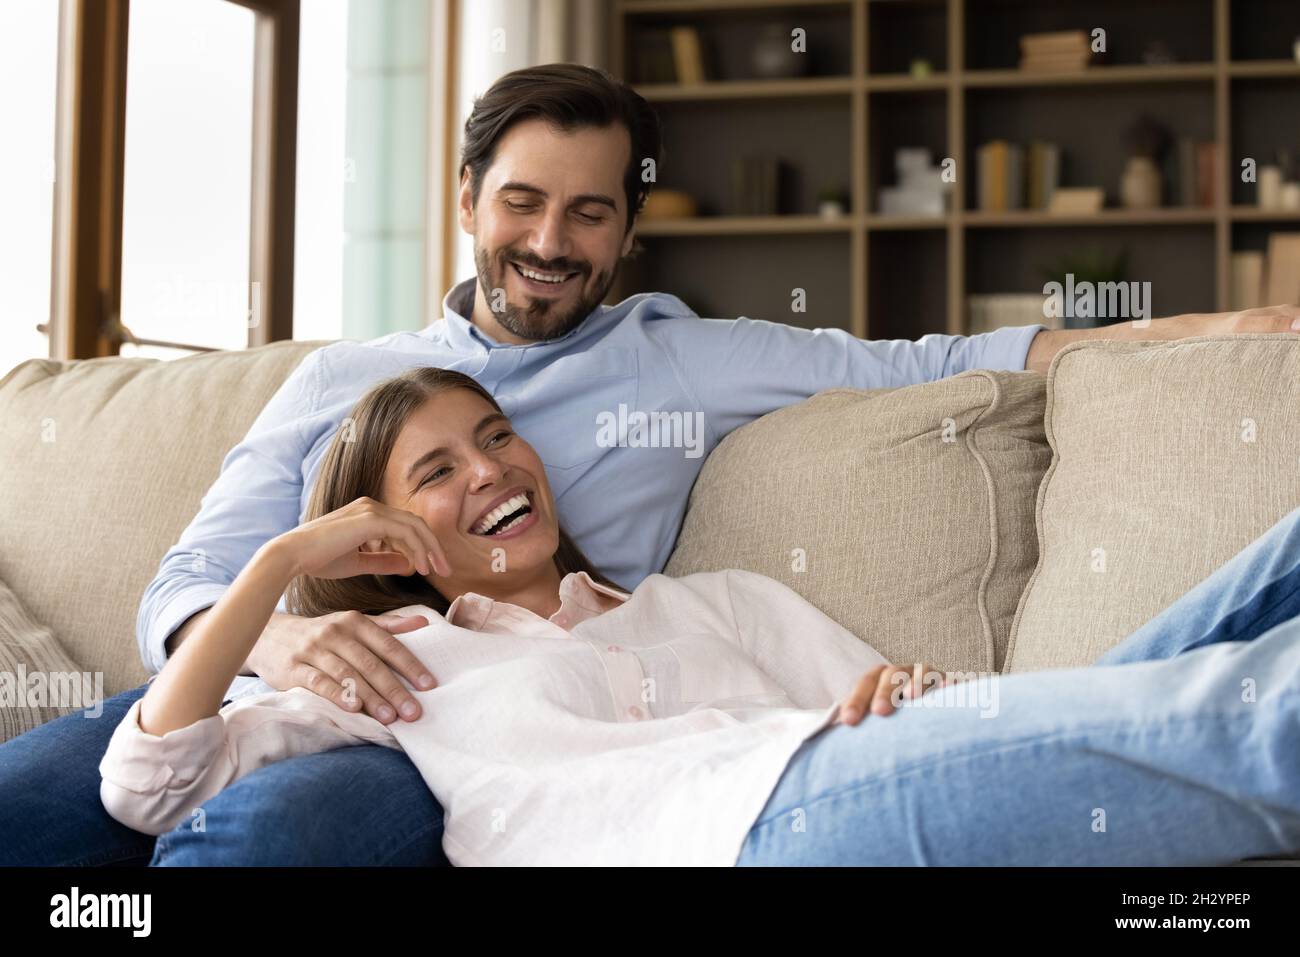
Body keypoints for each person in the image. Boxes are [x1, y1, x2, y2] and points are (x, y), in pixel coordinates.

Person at [2, 63, 1298, 866]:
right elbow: (184, 587)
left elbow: (921, 359)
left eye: (589, 211)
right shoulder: (346, 383)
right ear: (468, 201)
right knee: (40, 800)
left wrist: (1181, 328)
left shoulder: (681, 370)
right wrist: (279, 639)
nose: (551, 241)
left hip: (477, 723)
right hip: (306, 678)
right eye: (522, 203)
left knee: (285, 826)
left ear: (625, 231)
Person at [97, 367, 1300, 865]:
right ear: (387, 541)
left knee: (1258, 592)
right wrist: (280, 567)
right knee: (1225, 718)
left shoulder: (706, 600)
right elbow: (143, 787)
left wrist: (902, 690)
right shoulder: (399, 664)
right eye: (436, 473)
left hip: (843, 772)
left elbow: (892, 704)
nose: (489, 471)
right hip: (729, 841)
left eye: (496, 437)